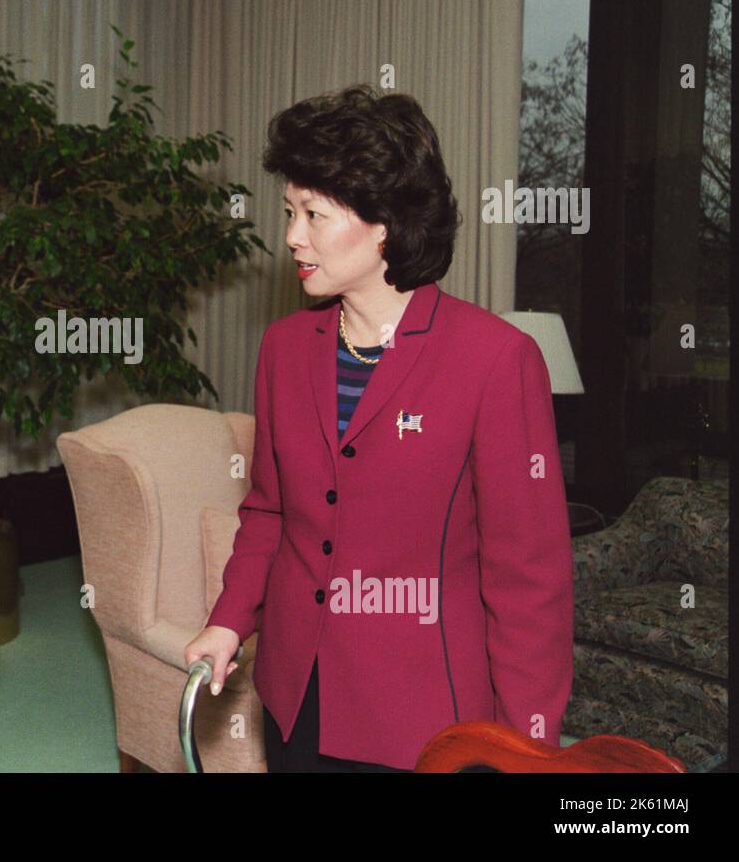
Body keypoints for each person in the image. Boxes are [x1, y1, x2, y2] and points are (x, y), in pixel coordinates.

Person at [184, 85, 573, 772]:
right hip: (295, 694)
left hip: (422, 719)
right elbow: (270, 511)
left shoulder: (495, 360)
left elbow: (529, 582)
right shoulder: (283, 348)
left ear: (385, 222)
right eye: (289, 211)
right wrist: (228, 618)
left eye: (313, 214)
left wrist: (526, 748)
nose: (292, 236)